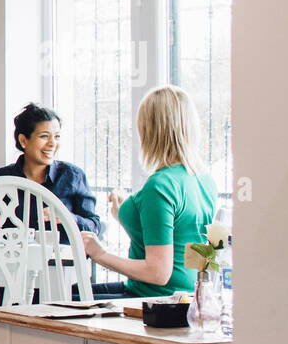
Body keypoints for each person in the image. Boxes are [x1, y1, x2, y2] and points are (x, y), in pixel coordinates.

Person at [81, 86, 217, 298]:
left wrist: (99, 254)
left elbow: (158, 272)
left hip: (157, 297)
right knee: (71, 295)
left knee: (56, 300)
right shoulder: (204, 180)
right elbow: (179, 245)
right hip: (186, 296)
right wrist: (124, 214)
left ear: (150, 130)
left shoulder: (160, 186)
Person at [0, 103, 100, 235]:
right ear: (23, 140)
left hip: (64, 255)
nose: (53, 143)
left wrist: (70, 218)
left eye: (57, 136)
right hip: (13, 255)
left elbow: (95, 226)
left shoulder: (73, 176)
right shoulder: (0, 179)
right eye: (44, 136)